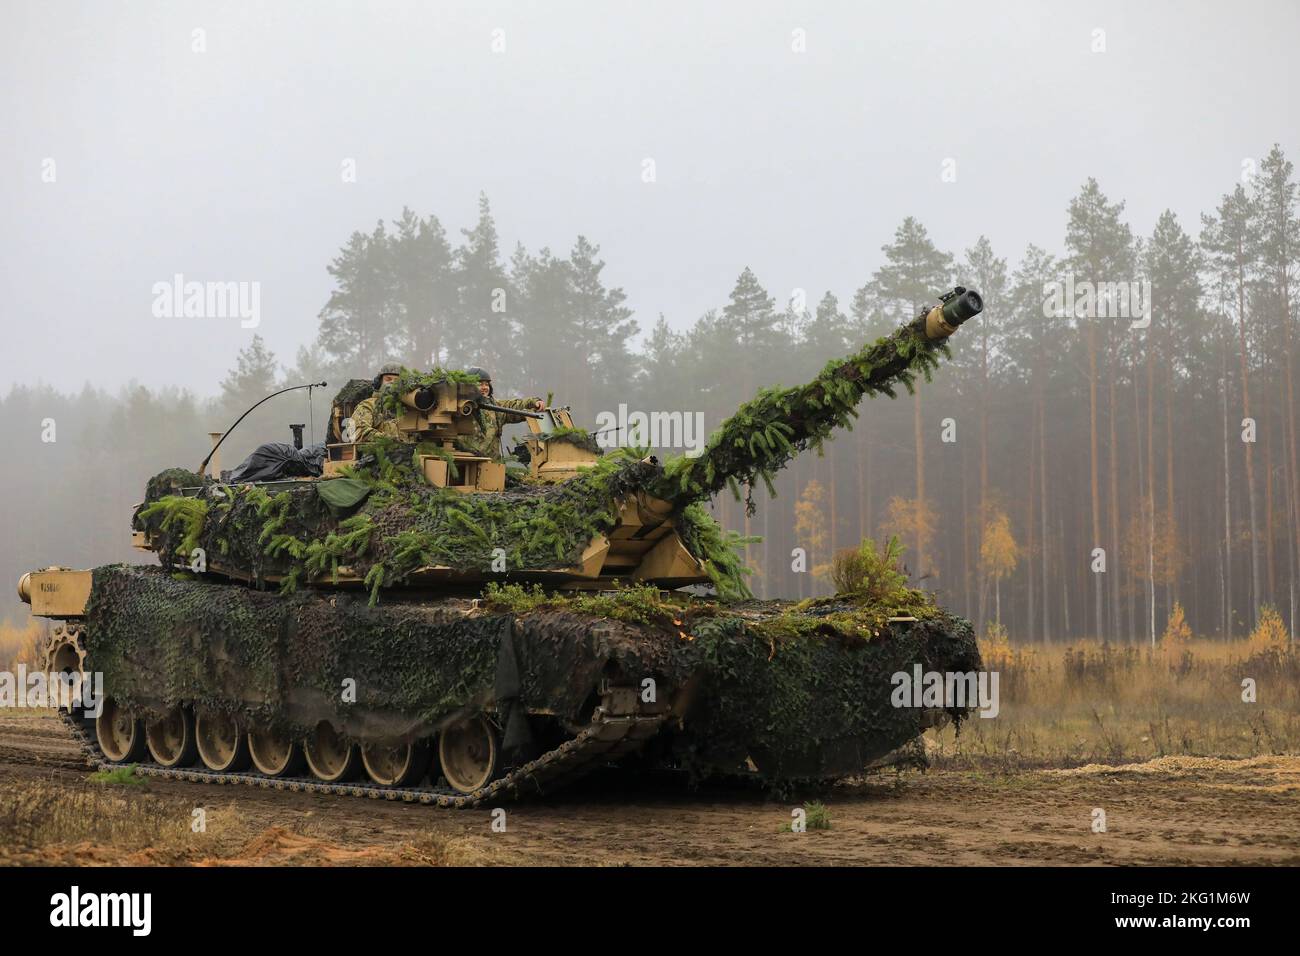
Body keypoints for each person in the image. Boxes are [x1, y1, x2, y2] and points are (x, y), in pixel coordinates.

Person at [456, 366, 546, 459]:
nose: (484, 388)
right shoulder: (458, 406)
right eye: (479, 384)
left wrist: (534, 403)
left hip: (491, 464)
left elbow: (512, 405)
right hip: (465, 461)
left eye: (486, 384)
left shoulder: (495, 406)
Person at [350, 363, 404, 442]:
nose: (392, 383)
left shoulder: (407, 409)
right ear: (379, 383)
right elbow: (359, 432)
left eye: (397, 381)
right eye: (388, 379)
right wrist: (388, 440)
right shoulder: (368, 406)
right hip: (376, 453)